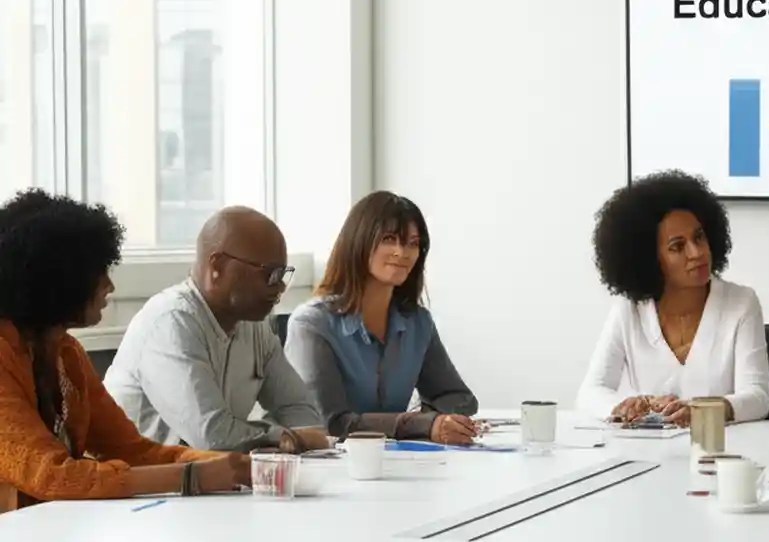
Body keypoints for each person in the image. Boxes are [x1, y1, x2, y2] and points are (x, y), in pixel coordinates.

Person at [0, 190, 251, 512]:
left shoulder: (66, 353)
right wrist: (192, 476)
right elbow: (52, 476)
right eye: (98, 272)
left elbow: (133, 451)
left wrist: (238, 466)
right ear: (56, 277)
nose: (110, 285)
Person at [104, 207, 329, 453]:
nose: (280, 288)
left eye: (283, 274)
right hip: (141, 483)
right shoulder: (171, 322)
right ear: (218, 266)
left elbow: (303, 412)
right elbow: (212, 437)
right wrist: (287, 438)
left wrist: (294, 437)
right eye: (270, 274)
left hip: (209, 481)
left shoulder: (255, 327)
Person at [285, 192, 479, 445]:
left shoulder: (418, 322)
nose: (402, 252)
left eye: (412, 243)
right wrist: (419, 424)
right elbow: (329, 423)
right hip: (330, 467)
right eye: (389, 239)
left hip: (397, 462)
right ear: (359, 242)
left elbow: (460, 398)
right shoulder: (311, 324)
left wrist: (440, 422)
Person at [578, 170, 769, 425]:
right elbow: (590, 394)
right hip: (646, 455)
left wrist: (703, 410)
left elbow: (758, 397)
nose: (697, 252)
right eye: (677, 247)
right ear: (649, 259)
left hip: (717, 452)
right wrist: (623, 407)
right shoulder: (629, 310)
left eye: (699, 237)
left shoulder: (741, 303)